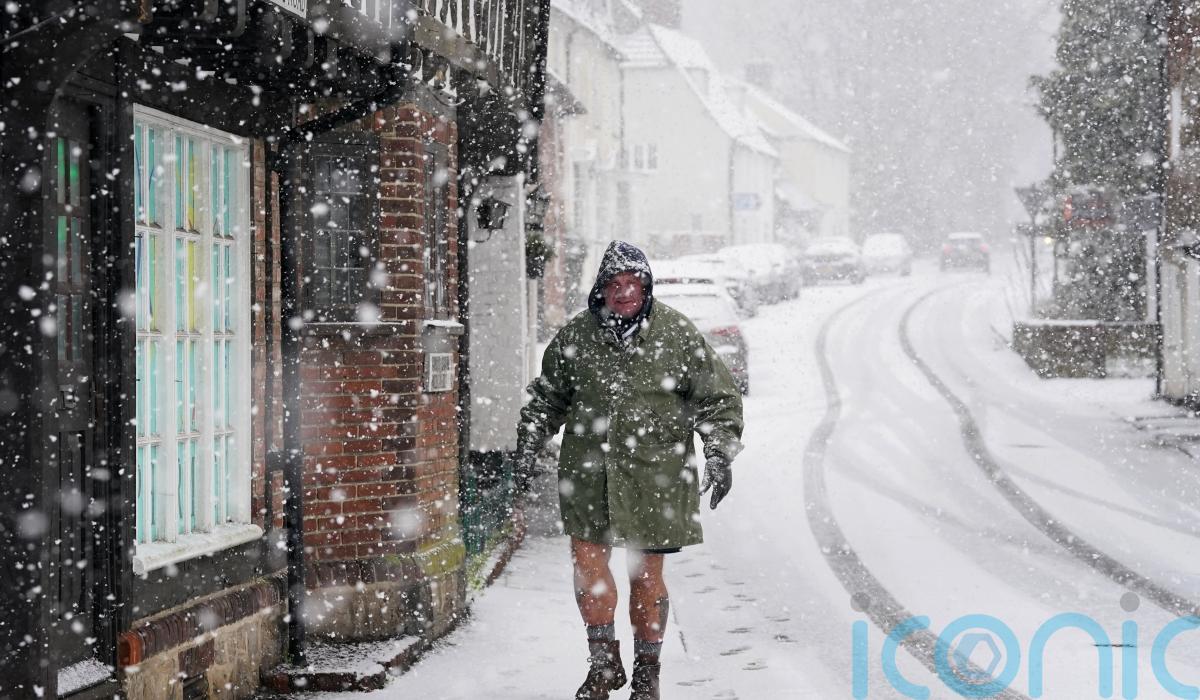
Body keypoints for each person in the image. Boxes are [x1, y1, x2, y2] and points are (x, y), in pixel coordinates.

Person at [514, 240, 744, 700]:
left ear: (646, 287)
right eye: (614, 285)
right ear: (601, 290)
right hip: (588, 474)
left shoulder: (676, 335)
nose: (623, 294)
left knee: (646, 578)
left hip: (653, 476)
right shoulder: (578, 337)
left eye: (632, 283)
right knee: (589, 573)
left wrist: (718, 451)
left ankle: (646, 675)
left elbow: (717, 398)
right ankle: (603, 667)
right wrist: (529, 440)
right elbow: (549, 397)